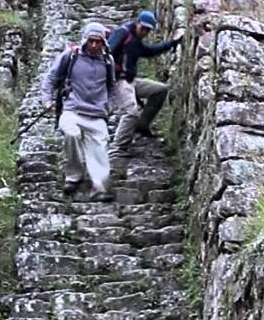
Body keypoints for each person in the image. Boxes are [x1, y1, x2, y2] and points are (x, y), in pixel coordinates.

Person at [41, 21, 117, 200]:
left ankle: (99, 189)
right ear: (85, 39)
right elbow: (50, 78)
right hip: (72, 109)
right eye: (91, 40)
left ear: (103, 43)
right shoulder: (71, 56)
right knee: (71, 134)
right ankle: (74, 175)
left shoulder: (107, 61)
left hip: (97, 113)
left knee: (99, 149)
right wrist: (47, 99)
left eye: (98, 42)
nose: (94, 45)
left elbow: (111, 86)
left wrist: (111, 104)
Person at [107, 10, 185, 157]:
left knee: (160, 90)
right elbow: (107, 54)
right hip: (118, 80)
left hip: (130, 80)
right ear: (137, 23)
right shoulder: (123, 34)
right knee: (131, 111)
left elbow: (148, 51)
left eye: (148, 30)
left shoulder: (135, 41)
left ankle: (142, 125)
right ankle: (117, 148)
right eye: (143, 28)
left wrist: (171, 43)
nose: (145, 32)